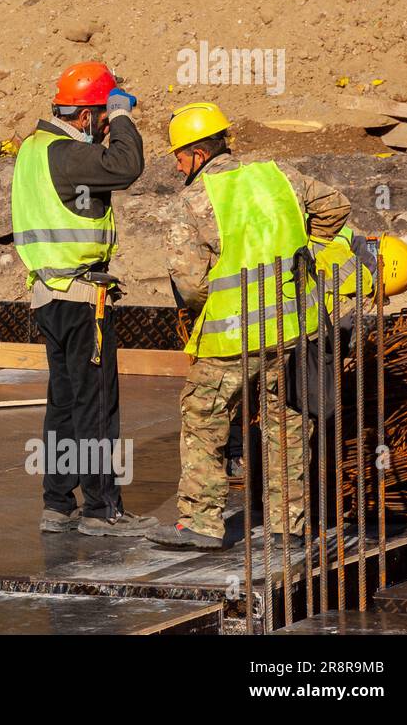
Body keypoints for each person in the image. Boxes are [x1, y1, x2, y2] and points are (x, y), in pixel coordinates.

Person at [148, 102, 350, 550]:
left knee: (205, 422)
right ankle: (288, 525)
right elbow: (337, 205)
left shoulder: (194, 201)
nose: (177, 165)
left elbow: (190, 283)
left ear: (198, 154)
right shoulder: (279, 176)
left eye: (179, 156)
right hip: (295, 331)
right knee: (288, 426)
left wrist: (210, 298)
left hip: (230, 339)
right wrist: (306, 248)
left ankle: (201, 522)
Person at [10, 61, 157, 537]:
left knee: (65, 403)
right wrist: (121, 115)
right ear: (87, 116)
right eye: (100, 116)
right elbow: (126, 166)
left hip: (48, 294)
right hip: (80, 296)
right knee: (96, 403)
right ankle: (100, 509)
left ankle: (57, 503)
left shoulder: (32, 150)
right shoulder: (66, 153)